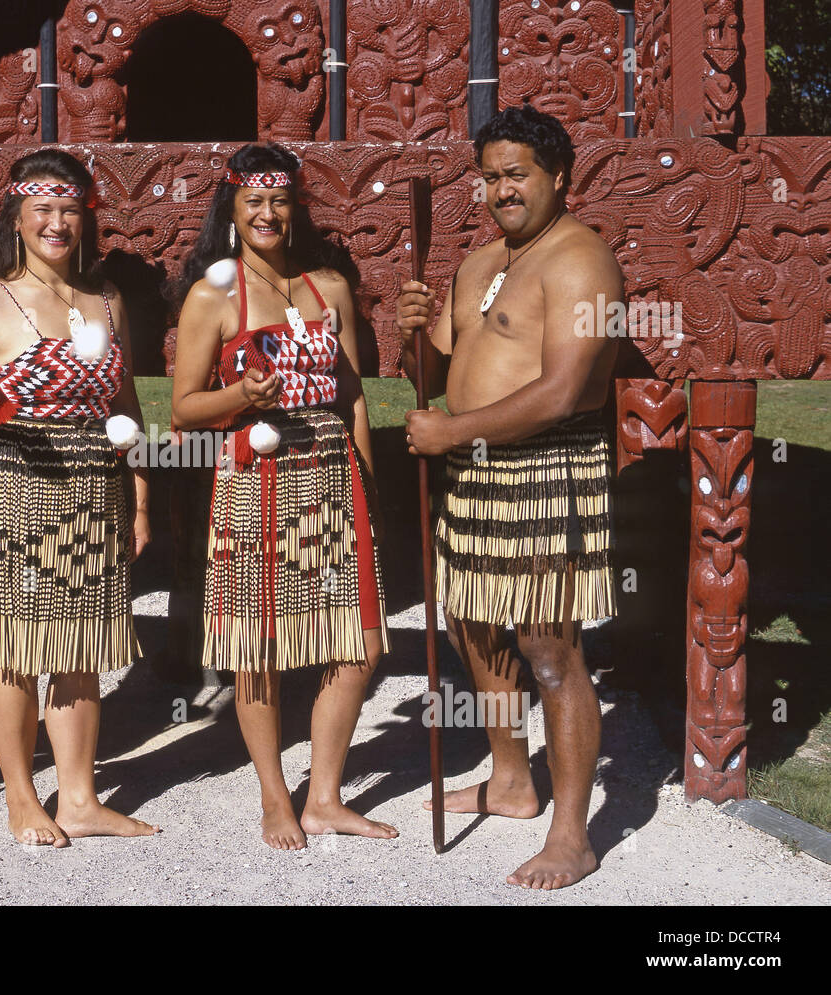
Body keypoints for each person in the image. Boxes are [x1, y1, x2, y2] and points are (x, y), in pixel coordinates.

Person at [398, 104, 622, 889]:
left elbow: (565, 392)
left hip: (545, 470)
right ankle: (510, 780)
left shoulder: (581, 260)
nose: (500, 190)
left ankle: (572, 833)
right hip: (473, 472)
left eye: (516, 174)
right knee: (473, 625)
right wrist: (413, 335)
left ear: (560, 176)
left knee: (549, 649)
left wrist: (451, 434)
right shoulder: (476, 262)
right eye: (490, 176)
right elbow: (434, 379)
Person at [0, 150, 159, 848]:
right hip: (10, 485)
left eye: (69, 209)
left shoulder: (108, 299)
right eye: (43, 210)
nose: (57, 222)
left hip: (93, 487)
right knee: (15, 650)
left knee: (81, 646)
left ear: (84, 214)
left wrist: (141, 500)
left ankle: (82, 797)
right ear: (18, 217)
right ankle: (22, 798)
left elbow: (127, 410)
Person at [172, 143, 396, 851]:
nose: (268, 213)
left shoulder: (329, 286)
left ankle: (324, 795)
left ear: (295, 207)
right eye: (253, 201)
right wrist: (242, 394)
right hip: (253, 481)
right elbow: (182, 409)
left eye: (280, 200)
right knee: (256, 646)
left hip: (332, 475)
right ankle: (275, 795)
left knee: (356, 643)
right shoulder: (214, 291)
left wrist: (367, 479)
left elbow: (353, 391)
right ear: (232, 210)